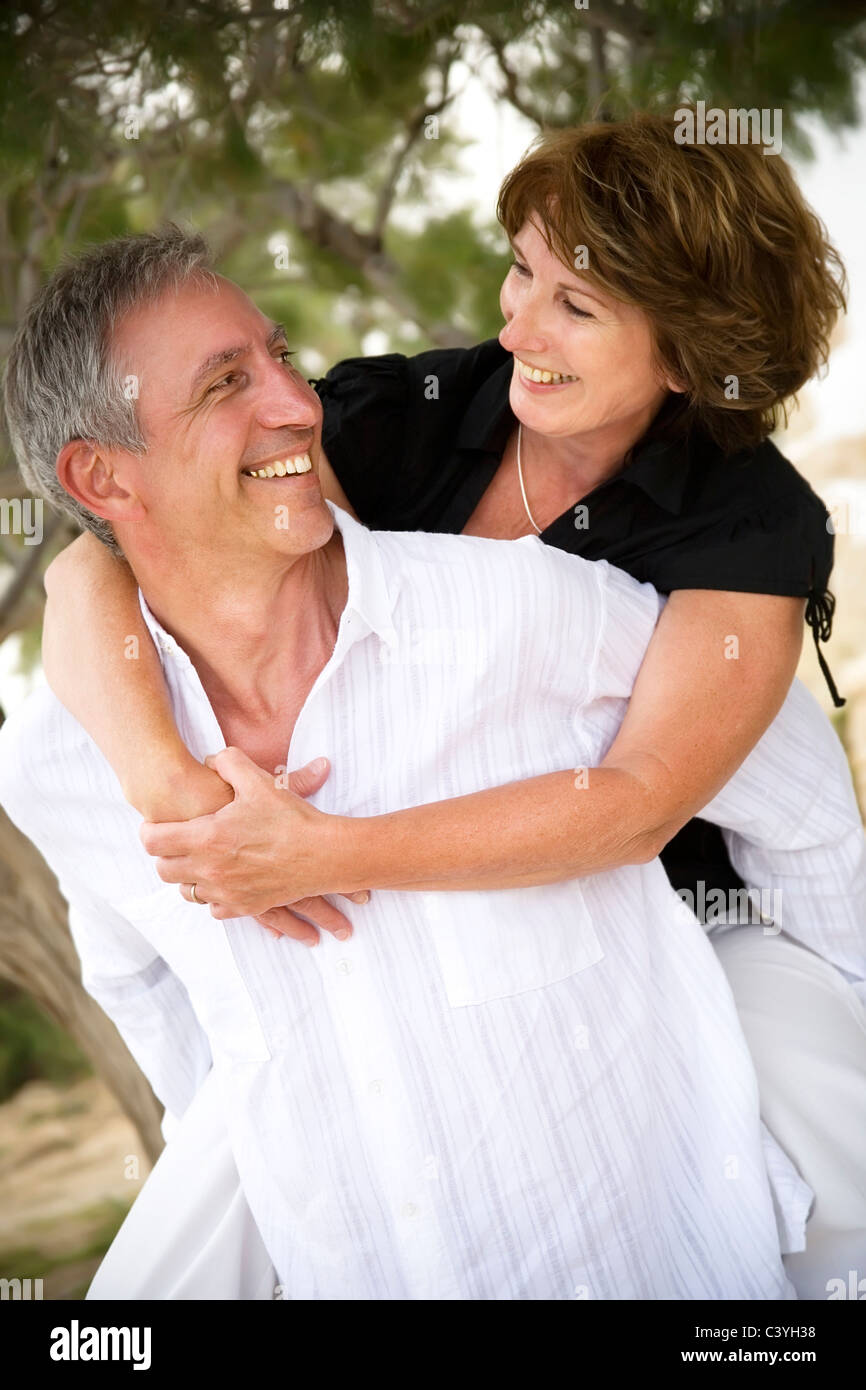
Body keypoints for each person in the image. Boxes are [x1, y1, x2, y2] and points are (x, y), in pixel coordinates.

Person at [1, 228, 864, 1298]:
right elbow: (99, 557)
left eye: (581, 307)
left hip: (684, 924)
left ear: (683, 357)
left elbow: (734, 804)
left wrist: (840, 992)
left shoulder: (684, 550)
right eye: (522, 275)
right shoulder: (400, 419)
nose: (519, 329)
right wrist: (165, 780)